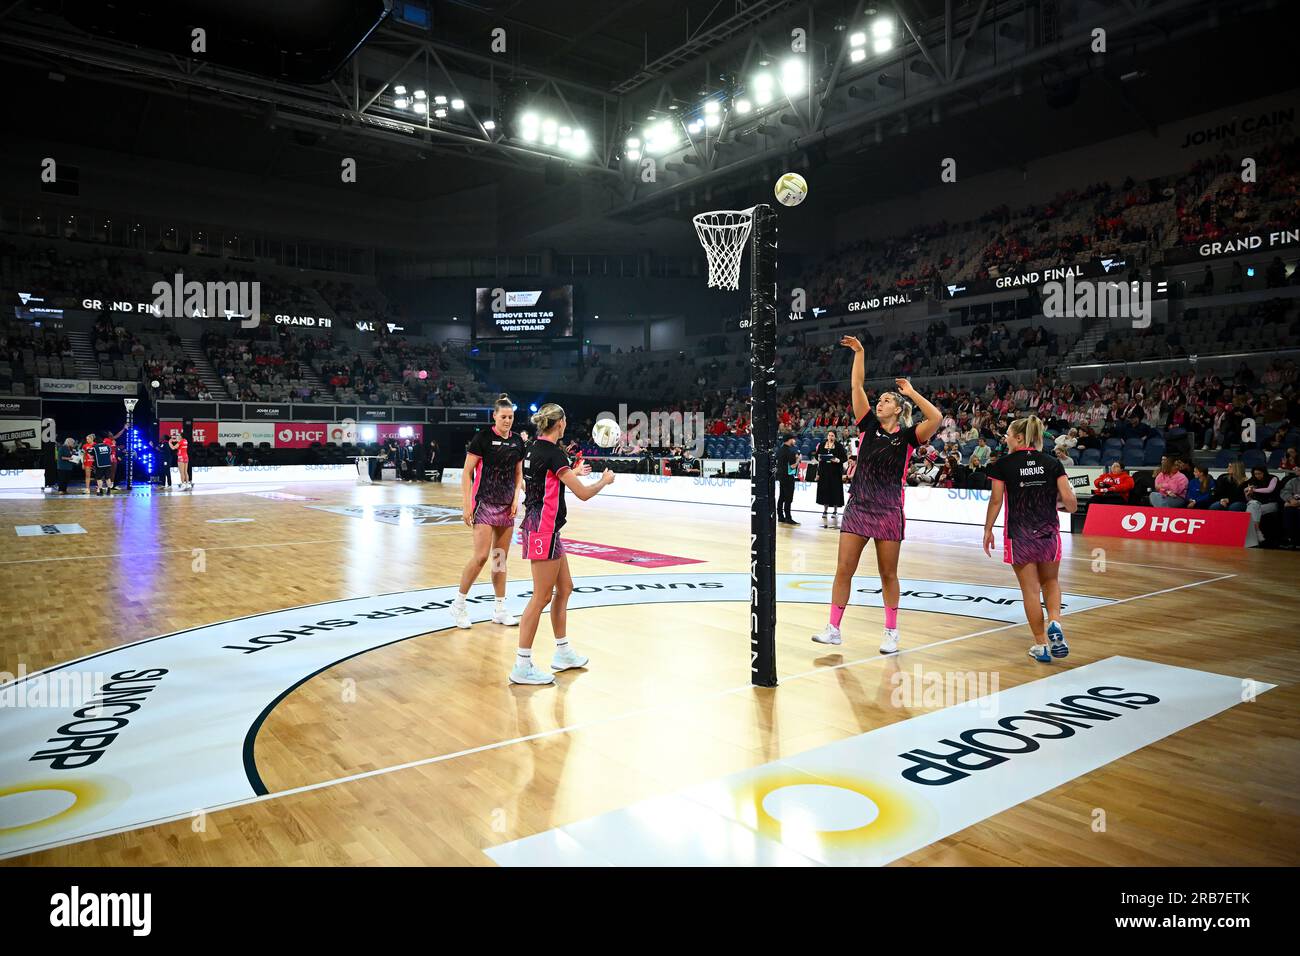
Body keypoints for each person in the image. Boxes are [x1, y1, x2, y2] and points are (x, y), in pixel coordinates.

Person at [812, 335, 941, 654]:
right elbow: (856, 388)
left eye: (886, 401)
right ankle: (833, 628)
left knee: (888, 574)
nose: (879, 403)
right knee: (844, 569)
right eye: (880, 400)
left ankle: (891, 632)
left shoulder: (910, 437)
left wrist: (910, 392)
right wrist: (860, 352)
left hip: (888, 511)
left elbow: (936, 418)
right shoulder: (868, 426)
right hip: (858, 508)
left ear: (898, 409)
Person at [511, 403, 615, 685]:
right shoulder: (555, 454)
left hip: (545, 527)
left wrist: (571, 473)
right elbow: (582, 495)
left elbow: (540, 481)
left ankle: (563, 652)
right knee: (541, 596)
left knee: (565, 588)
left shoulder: (534, 447)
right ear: (560, 424)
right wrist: (604, 481)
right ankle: (522, 664)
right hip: (543, 528)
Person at [983, 414, 1078, 663]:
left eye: (1007, 435)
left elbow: (996, 500)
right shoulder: (1052, 462)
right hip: (1048, 532)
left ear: (1018, 438)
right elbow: (1071, 503)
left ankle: (1041, 644)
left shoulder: (1002, 465)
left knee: (1030, 591)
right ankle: (1055, 621)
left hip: (1019, 534)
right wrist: (1061, 508)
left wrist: (988, 529)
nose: (1005, 439)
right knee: (1051, 581)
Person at [451, 395, 526, 630]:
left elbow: (518, 475)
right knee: (481, 557)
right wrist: (467, 504)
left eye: (511, 417)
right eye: (503, 417)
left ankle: (500, 609)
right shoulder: (482, 438)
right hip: (484, 505)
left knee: (499, 560)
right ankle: (459, 604)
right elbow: (467, 473)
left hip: (506, 507)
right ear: (494, 416)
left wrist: (516, 499)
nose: (507, 421)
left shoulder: (517, 441)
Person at [814, 430, 847, 526]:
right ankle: (825, 510)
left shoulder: (839, 446)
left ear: (835, 437)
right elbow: (817, 456)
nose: (830, 437)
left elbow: (844, 458)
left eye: (832, 435)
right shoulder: (822, 445)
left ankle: (835, 511)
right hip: (824, 472)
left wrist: (837, 460)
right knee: (825, 490)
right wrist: (819, 458)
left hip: (835, 472)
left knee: (835, 491)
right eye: (829, 435)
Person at [1242, 466, 1281, 538]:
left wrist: (1254, 490)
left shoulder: (1273, 478)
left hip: (1271, 503)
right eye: (1255, 474)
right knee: (1252, 505)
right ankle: (1257, 533)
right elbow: (1249, 500)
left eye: (1259, 473)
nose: (1257, 476)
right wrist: (1246, 492)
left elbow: (1269, 490)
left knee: (1252, 510)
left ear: (1264, 472)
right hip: (1257, 503)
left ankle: (1252, 534)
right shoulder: (1252, 480)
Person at [776, 434, 800, 525]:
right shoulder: (790, 451)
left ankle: (780, 517)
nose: (794, 441)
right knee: (788, 498)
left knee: (781, 497)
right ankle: (788, 518)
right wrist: (798, 459)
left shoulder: (779, 450)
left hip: (781, 476)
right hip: (788, 477)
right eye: (793, 439)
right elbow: (793, 466)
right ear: (789, 440)